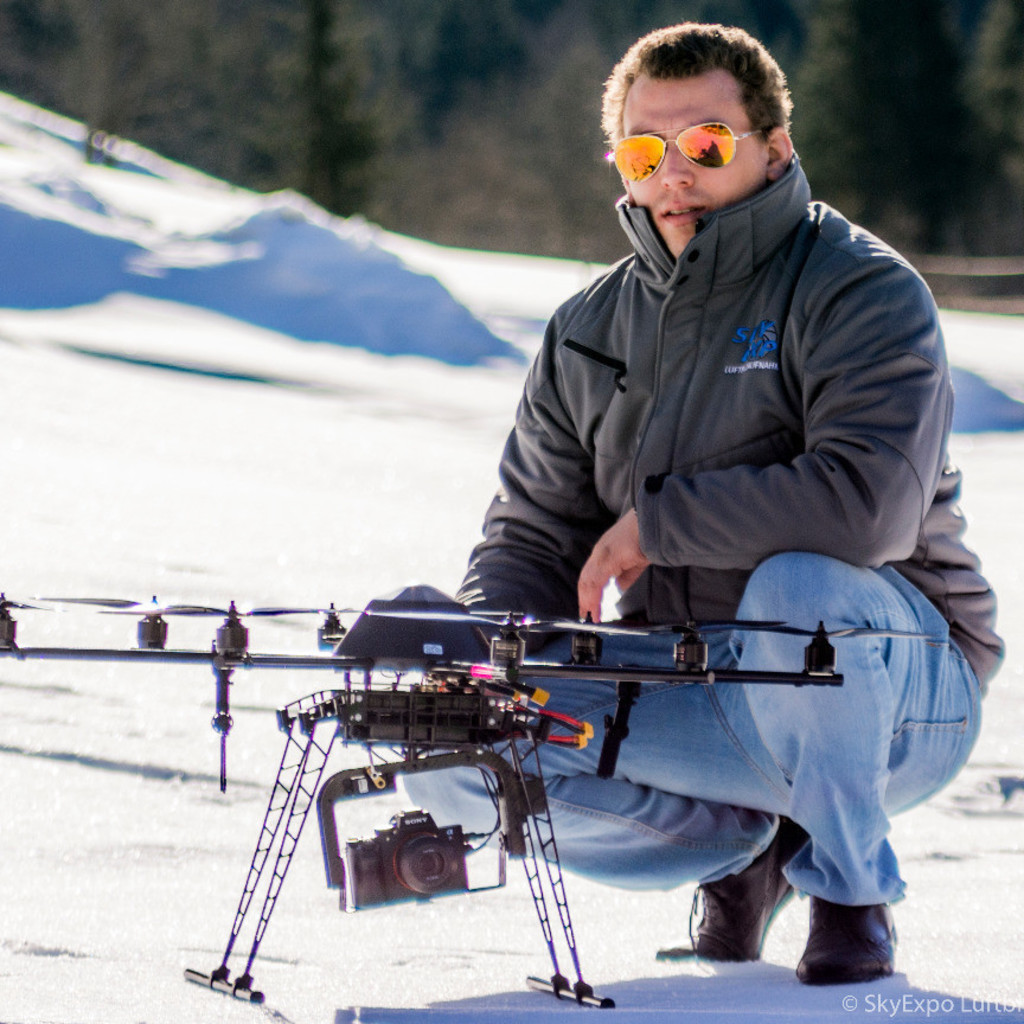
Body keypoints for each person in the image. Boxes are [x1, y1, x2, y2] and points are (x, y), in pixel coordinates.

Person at [411, 22, 1003, 986]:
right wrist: (484, 653)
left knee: (802, 590)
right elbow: (532, 535)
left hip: (894, 689)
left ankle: (851, 896)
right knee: (453, 730)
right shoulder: (588, 330)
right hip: (690, 682)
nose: (674, 175)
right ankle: (739, 848)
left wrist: (660, 525)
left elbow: (869, 509)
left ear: (774, 149)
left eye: (706, 145)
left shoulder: (860, 289)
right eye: (645, 152)